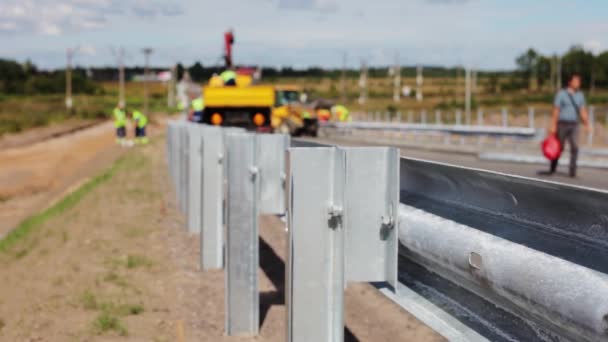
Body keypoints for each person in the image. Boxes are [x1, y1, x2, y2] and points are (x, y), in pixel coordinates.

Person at [543, 73, 591, 178]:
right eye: (576, 81)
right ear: (570, 82)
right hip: (562, 124)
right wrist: (553, 125)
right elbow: (556, 110)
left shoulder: (580, 95)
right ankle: (553, 168)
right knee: (560, 147)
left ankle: (572, 172)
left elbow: (582, 110)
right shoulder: (561, 94)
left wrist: (587, 124)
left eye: (579, 81)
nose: (578, 83)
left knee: (575, 147)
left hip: (574, 124)